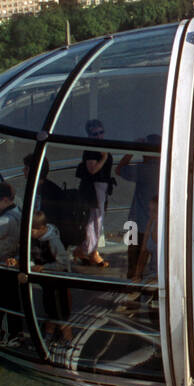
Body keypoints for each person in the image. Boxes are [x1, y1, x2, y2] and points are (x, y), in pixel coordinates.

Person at [116, 136, 160, 278]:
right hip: (156, 224)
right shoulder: (165, 168)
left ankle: (133, 289)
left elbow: (119, 169)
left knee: (134, 264)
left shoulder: (143, 169)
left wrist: (132, 149)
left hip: (136, 223)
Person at [75, 119, 114, 267]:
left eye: (101, 132)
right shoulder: (91, 150)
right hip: (95, 188)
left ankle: (89, 251)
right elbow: (92, 169)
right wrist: (104, 157)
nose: (99, 136)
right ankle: (88, 250)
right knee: (95, 219)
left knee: (96, 219)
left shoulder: (100, 146)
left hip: (102, 187)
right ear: (89, 135)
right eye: (95, 134)